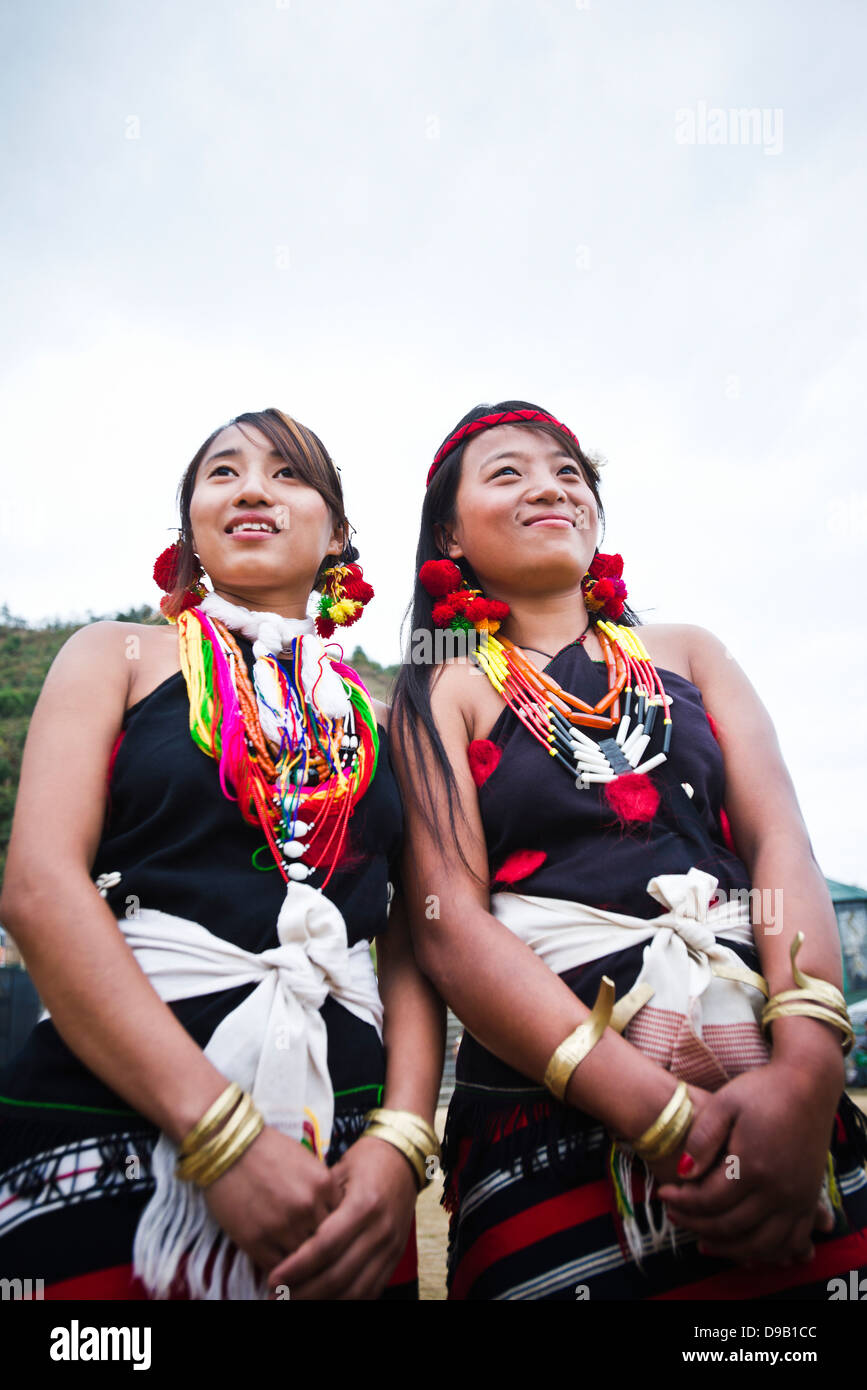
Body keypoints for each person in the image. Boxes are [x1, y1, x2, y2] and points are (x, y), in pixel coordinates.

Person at [391, 399, 867, 1301]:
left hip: (772, 1091)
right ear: (447, 534)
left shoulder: (689, 653)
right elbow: (447, 925)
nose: (549, 487)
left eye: (569, 473)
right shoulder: (441, 686)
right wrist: (662, 1118)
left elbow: (780, 845)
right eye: (507, 472)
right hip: (554, 1112)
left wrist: (807, 1077)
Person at [0, 407, 444, 1300]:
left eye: (288, 474)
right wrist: (221, 1138)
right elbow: (41, 888)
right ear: (191, 528)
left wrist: (401, 1140)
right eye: (224, 473)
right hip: (116, 1100)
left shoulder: (382, 716)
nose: (251, 489)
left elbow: (412, 939)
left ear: (336, 534)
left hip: (349, 1145)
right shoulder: (117, 656)